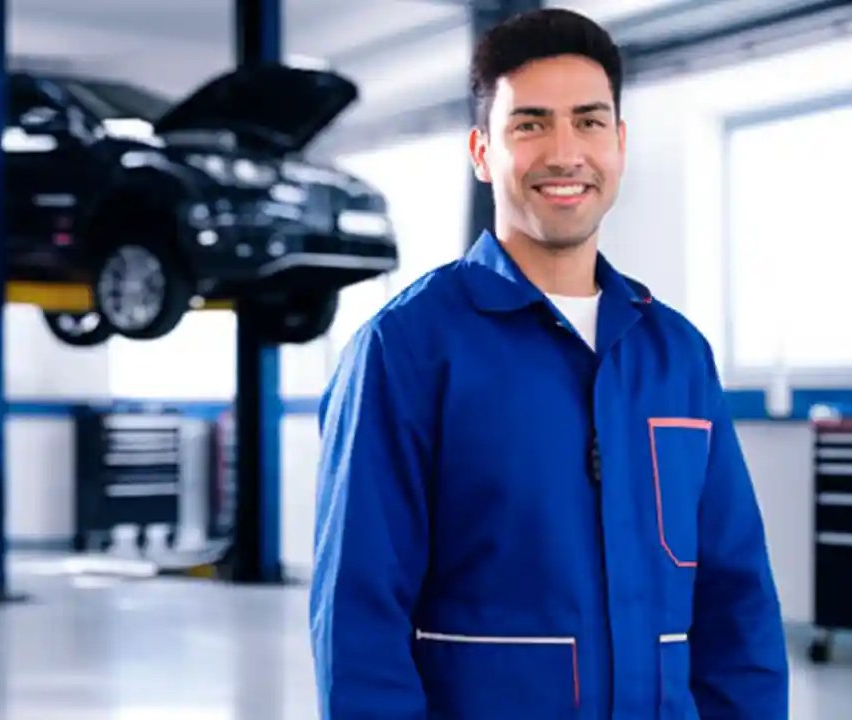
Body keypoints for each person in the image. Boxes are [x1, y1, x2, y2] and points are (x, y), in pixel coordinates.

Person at [310, 8, 788, 720]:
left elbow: (737, 601)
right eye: (530, 125)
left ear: (619, 143)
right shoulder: (406, 349)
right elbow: (359, 621)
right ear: (481, 152)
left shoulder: (676, 355)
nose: (565, 153)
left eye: (589, 122)